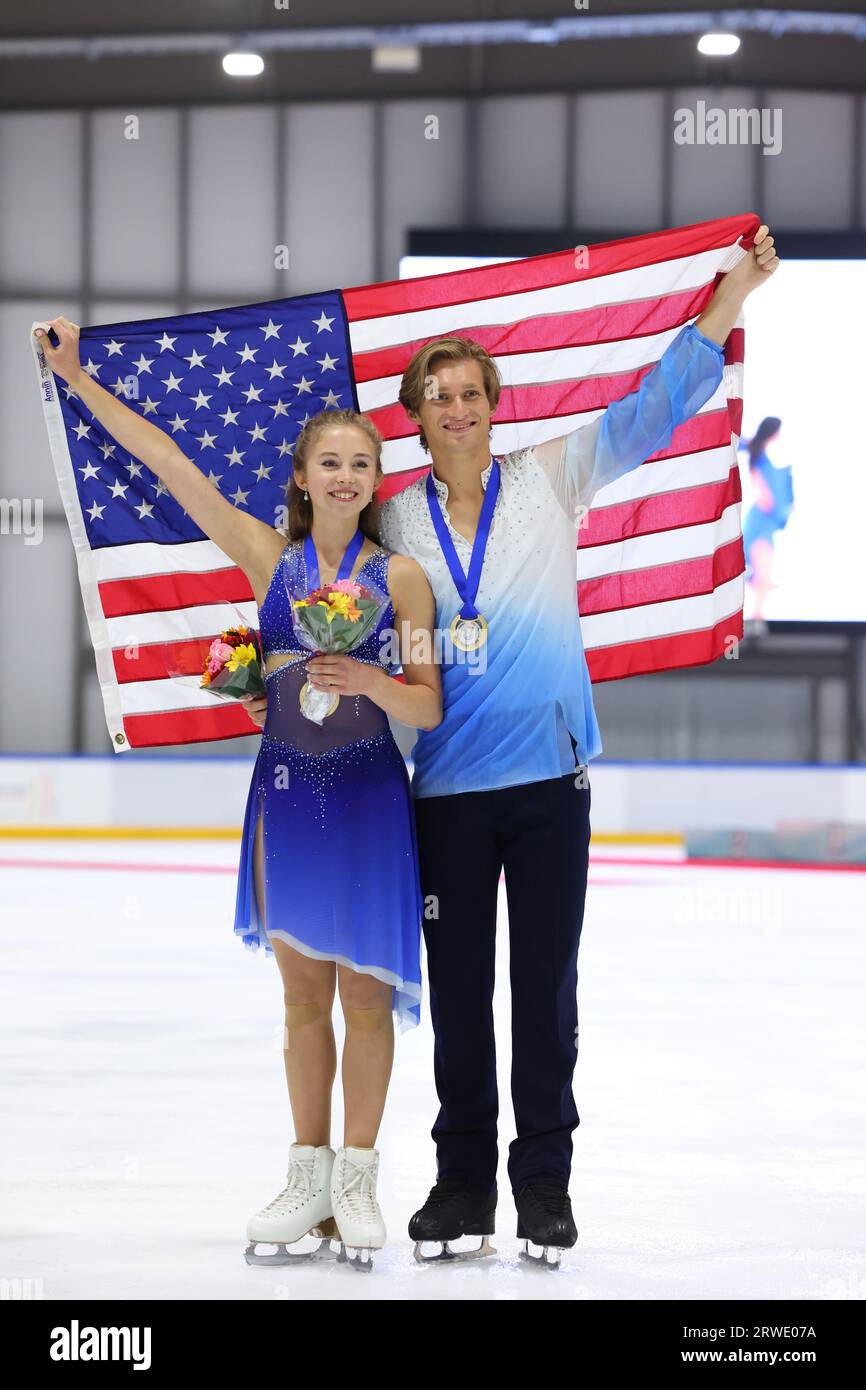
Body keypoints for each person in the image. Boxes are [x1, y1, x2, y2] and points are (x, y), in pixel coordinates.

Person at [247, 223, 780, 1266]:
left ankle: (540, 1187)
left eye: (470, 395)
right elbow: (304, 584)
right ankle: (457, 1187)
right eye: (437, 397)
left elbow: (651, 410)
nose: (456, 410)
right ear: (416, 415)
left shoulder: (549, 480)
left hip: (547, 787)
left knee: (541, 992)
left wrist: (732, 297)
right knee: (457, 1001)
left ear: (495, 407)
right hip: (442, 795)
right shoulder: (391, 527)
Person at [33, 319, 442, 1269]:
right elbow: (171, 463)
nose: (344, 478)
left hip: (371, 799)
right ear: (302, 476)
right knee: (304, 1001)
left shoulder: (406, 580)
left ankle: (357, 1182)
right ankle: (305, 1180)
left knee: (367, 1001)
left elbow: (425, 704)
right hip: (290, 797)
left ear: (377, 482)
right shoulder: (268, 558)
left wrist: (369, 680)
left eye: (361, 464)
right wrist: (75, 377)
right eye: (329, 463)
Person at [740, 416, 791, 618]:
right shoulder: (757, 453)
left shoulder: (765, 455)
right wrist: (765, 498)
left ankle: (758, 613)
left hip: (767, 519)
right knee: (762, 568)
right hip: (761, 518)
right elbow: (757, 480)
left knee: (763, 570)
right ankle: (757, 616)